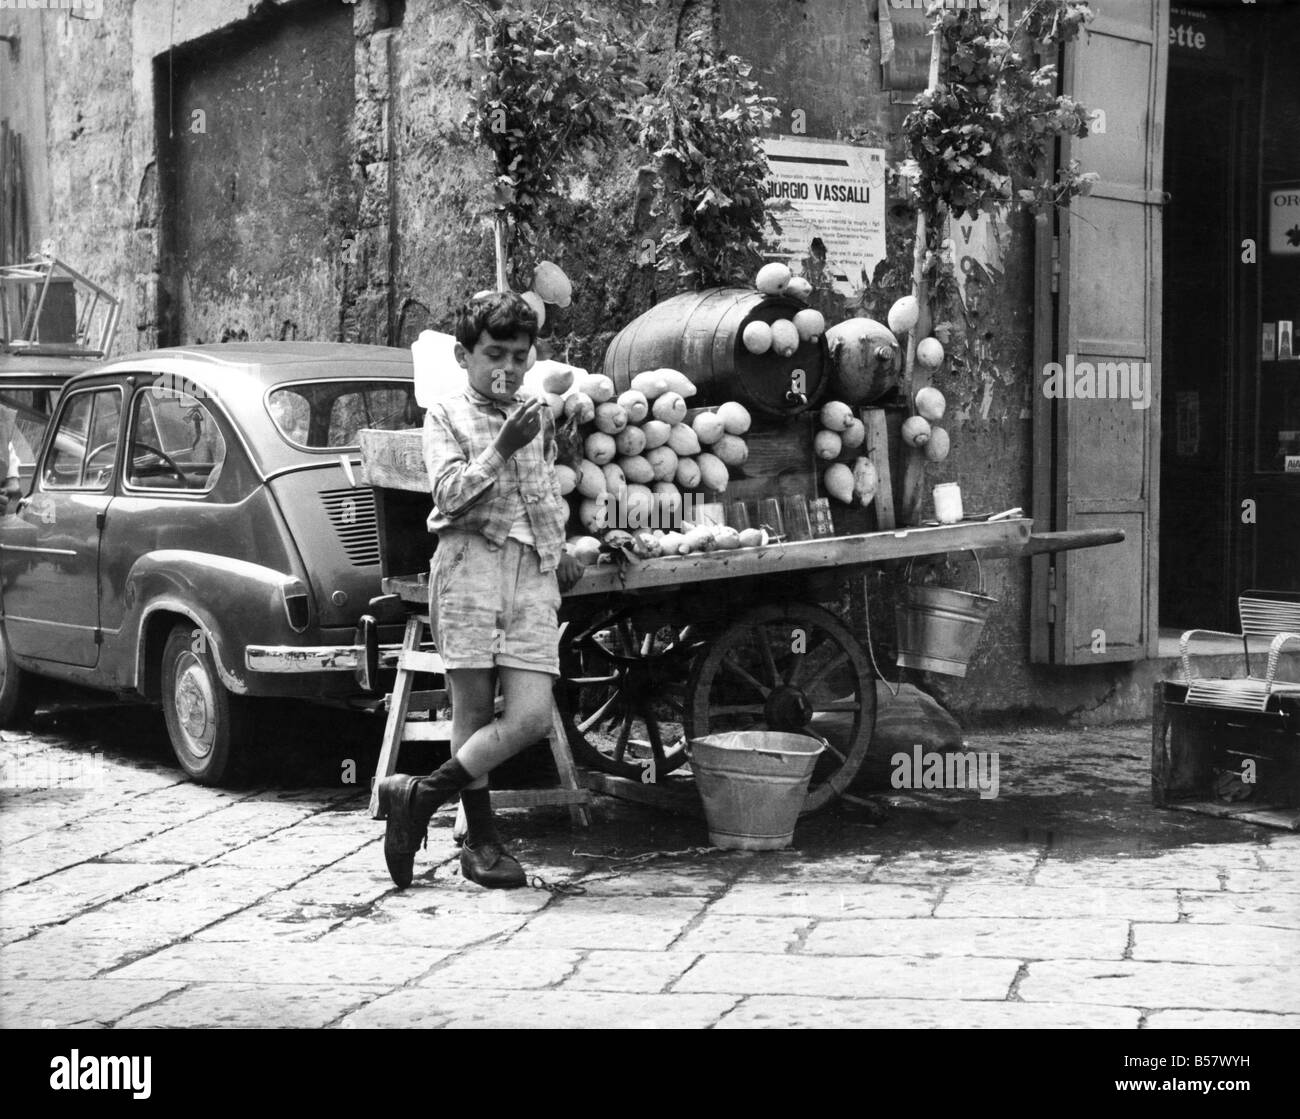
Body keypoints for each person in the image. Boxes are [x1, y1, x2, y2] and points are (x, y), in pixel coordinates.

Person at [376, 291, 584, 889]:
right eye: (495, 353)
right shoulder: (443, 414)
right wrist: (501, 449)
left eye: (520, 356)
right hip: (469, 567)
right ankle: (483, 843)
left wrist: (559, 547)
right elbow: (447, 496)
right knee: (470, 710)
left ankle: (418, 795)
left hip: (531, 575)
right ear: (465, 357)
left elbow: (543, 493)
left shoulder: (535, 415)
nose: (509, 368)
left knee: (529, 717)